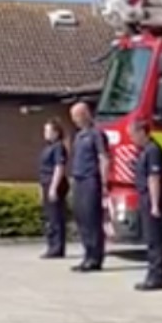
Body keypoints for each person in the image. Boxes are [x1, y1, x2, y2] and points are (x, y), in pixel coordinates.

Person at [67, 101, 110, 273]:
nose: (75, 120)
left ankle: (95, 257)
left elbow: (103, 158)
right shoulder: (79, 136)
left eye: (76, 116)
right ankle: (87, 254)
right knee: (82, 218)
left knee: (92, 219)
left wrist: (105, 182)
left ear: (85, 114)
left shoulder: (97, 134)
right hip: (79, 179)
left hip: (91, 179)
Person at [131, 119, 162, 291]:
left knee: (155, 238)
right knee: (150, 238)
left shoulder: (153, 151)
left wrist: (154, 204)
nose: (132, 138)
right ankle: (153, 274)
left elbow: (154, 178)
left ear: (142, 132)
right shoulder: (145, 151)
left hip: (152, 198)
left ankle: (157, 276)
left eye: (133, 134)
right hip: (145, 196)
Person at [38, 118, 70, 260]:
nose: (45, 133)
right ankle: (51, 245)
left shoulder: (58, 147)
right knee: (49, 217)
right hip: (45, 183)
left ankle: (57, 247)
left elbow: (59, 167)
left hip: (54, 184)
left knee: (56, 217)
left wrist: (53, 187)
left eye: (48, 130)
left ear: (56, 133)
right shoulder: (48, 147)